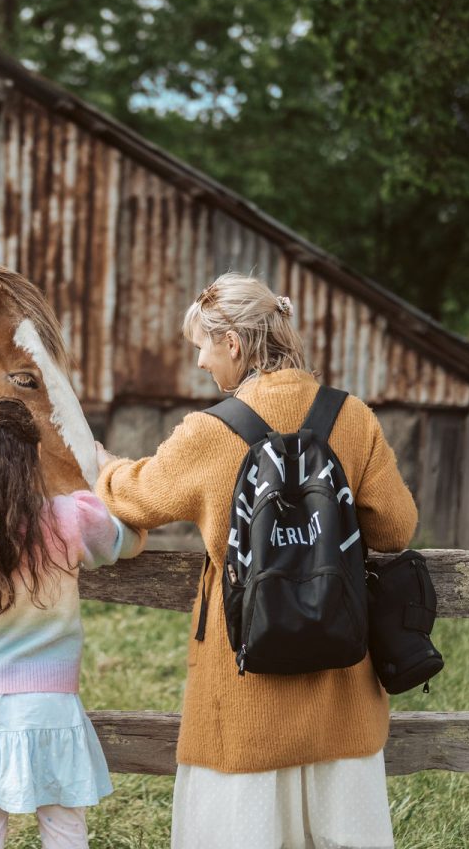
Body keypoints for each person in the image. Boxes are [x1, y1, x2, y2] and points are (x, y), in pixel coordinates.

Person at [94, 272, 418, 849]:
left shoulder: (209, 432)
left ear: (234, 345)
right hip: (339, 688)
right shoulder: (353, 417)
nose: (200, 362)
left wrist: (106, 466)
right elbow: (396, 527)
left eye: (202, 346)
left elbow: (134, 498)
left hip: (245, 685)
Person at [0, 397, 146, 849]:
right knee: (65, 832)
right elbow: (131, 539)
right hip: (51, 711)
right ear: (36, 455)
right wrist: (111, 470)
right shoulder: (70, 520)